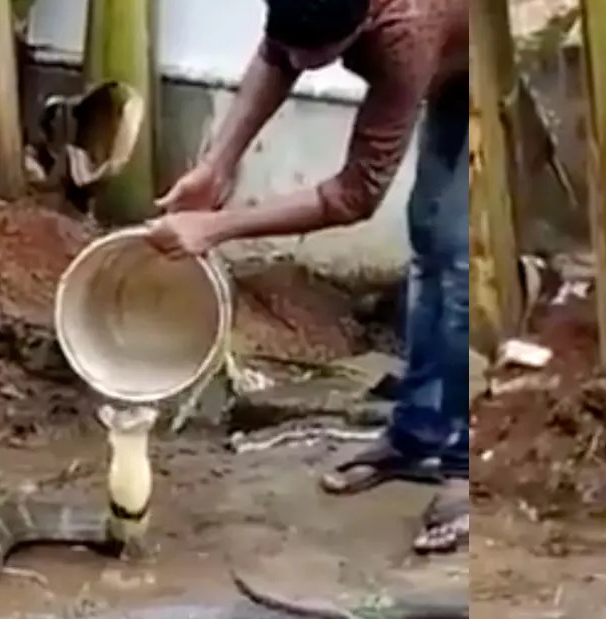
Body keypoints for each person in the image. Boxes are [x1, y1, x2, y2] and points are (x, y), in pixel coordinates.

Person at [149, 0, 469, 554]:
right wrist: (215, 167)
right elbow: (277, 55)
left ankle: (465, 468)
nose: (298, 62)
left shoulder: (406, 29)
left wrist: (217, 227)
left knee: (462, 261)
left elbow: (356, 194)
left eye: (315, 60)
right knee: (431, 239)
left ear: (363, 23)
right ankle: (415, 436)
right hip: (449, 63)